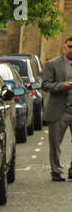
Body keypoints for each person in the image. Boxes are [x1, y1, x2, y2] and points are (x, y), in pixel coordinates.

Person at [40, 36, 72, 182]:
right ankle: (56, 171)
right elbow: (45, 85)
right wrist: (62, 86)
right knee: (55, 143)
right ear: (64, 47)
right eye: (70, 47)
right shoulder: (53, 64)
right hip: (59, 110)